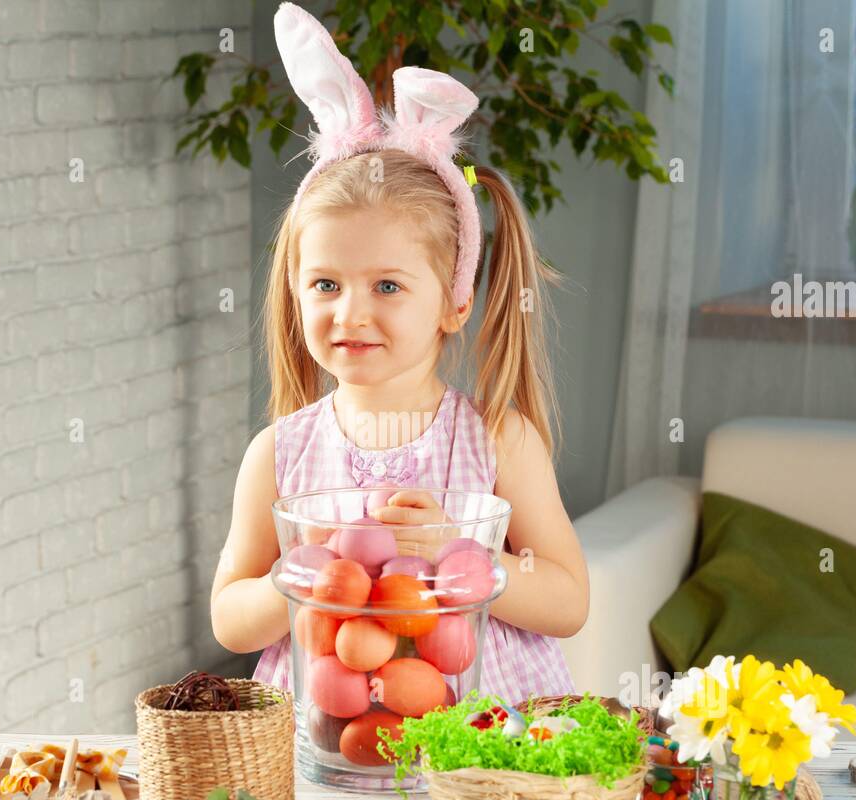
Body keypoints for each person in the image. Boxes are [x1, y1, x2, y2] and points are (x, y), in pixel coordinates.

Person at [210, 2, 588, 703]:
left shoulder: (496, 438)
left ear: (454, 302)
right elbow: (231, 618)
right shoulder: (279, 454)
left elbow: (568, 599)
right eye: (324, 283)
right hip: (325, 748)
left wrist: (456, 552)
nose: (351, 312)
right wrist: (300, 572)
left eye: (387, 285)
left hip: (476, 757)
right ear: (294, 292)